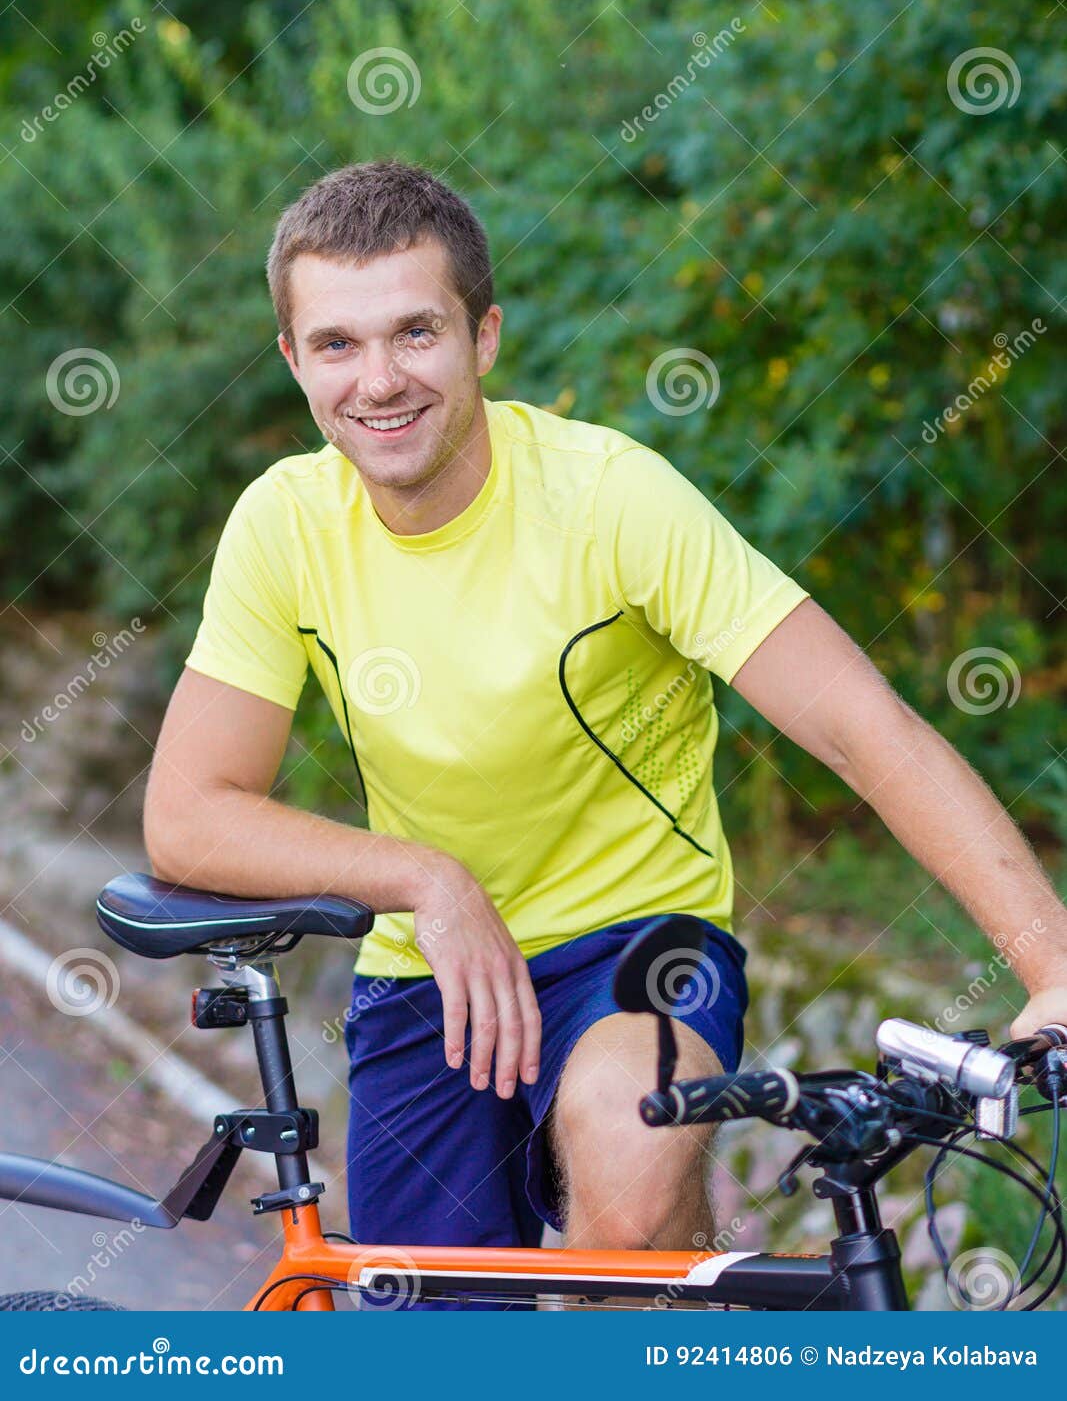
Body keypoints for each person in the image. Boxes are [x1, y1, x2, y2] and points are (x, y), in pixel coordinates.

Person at [145, 159, 1067, 1305]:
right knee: (431, 1358)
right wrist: (424, 880)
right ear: (292, 359)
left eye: (415, 332)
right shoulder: (284, 522)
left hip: (633, 943)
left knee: (628, 1192)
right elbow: (188, 812)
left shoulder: (610, 499)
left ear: (483, 336)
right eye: (336, 343)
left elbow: (855, 726)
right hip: (429, 967)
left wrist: (1048, 959)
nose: (377, 380)